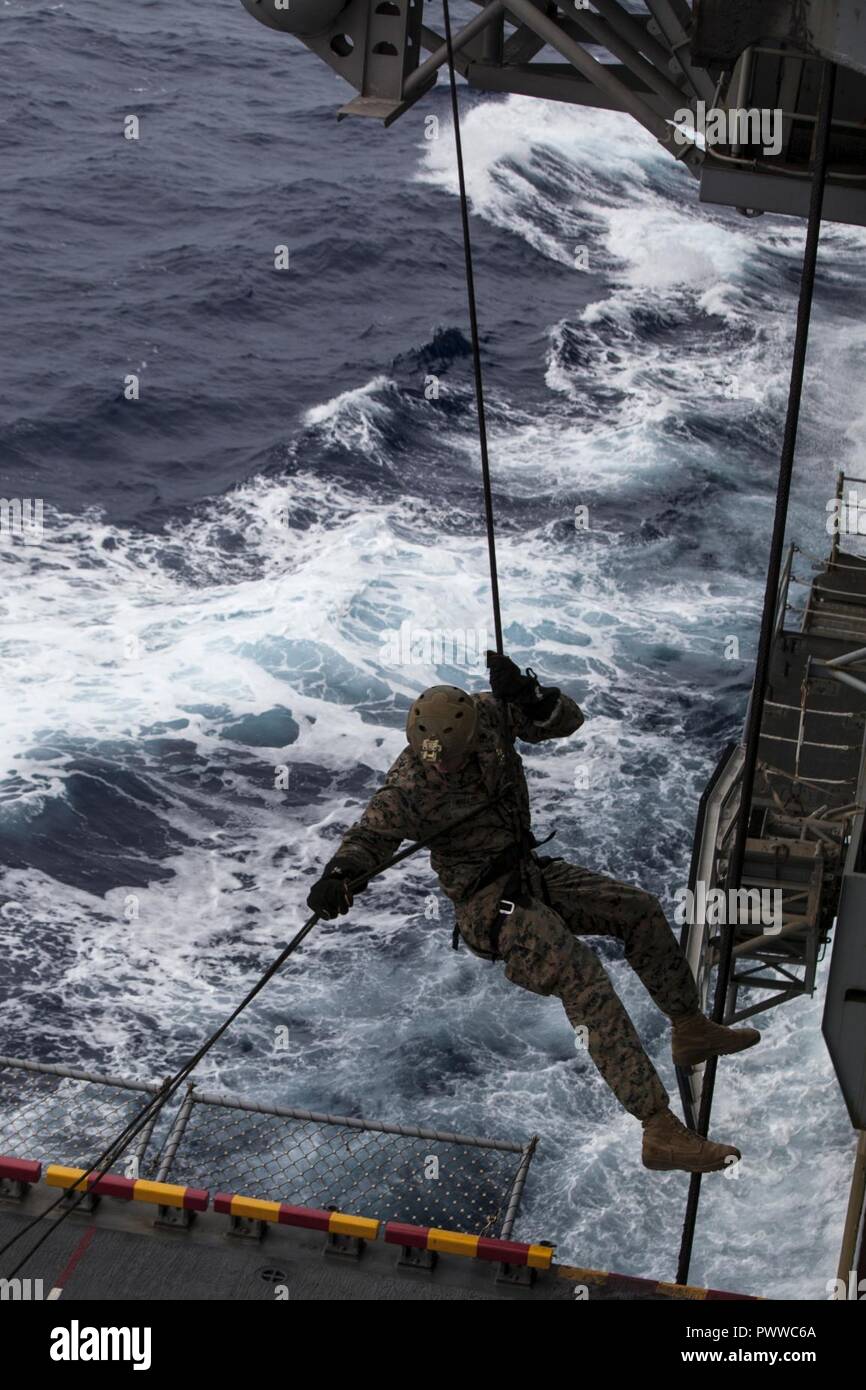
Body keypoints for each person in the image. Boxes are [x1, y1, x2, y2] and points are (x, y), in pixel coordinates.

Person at [307, 653, 760, 1173]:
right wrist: (340, 877)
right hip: (486, 906)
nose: (442, 766)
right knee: (581, 975)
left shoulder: (490, 715)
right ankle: (658, 1128)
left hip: (528, 874)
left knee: (637, 910)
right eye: (432, 757)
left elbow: (568, 722)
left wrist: (530, 696)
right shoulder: (410, 785)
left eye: (450, 756)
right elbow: (369, 838)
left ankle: (689, 1026)